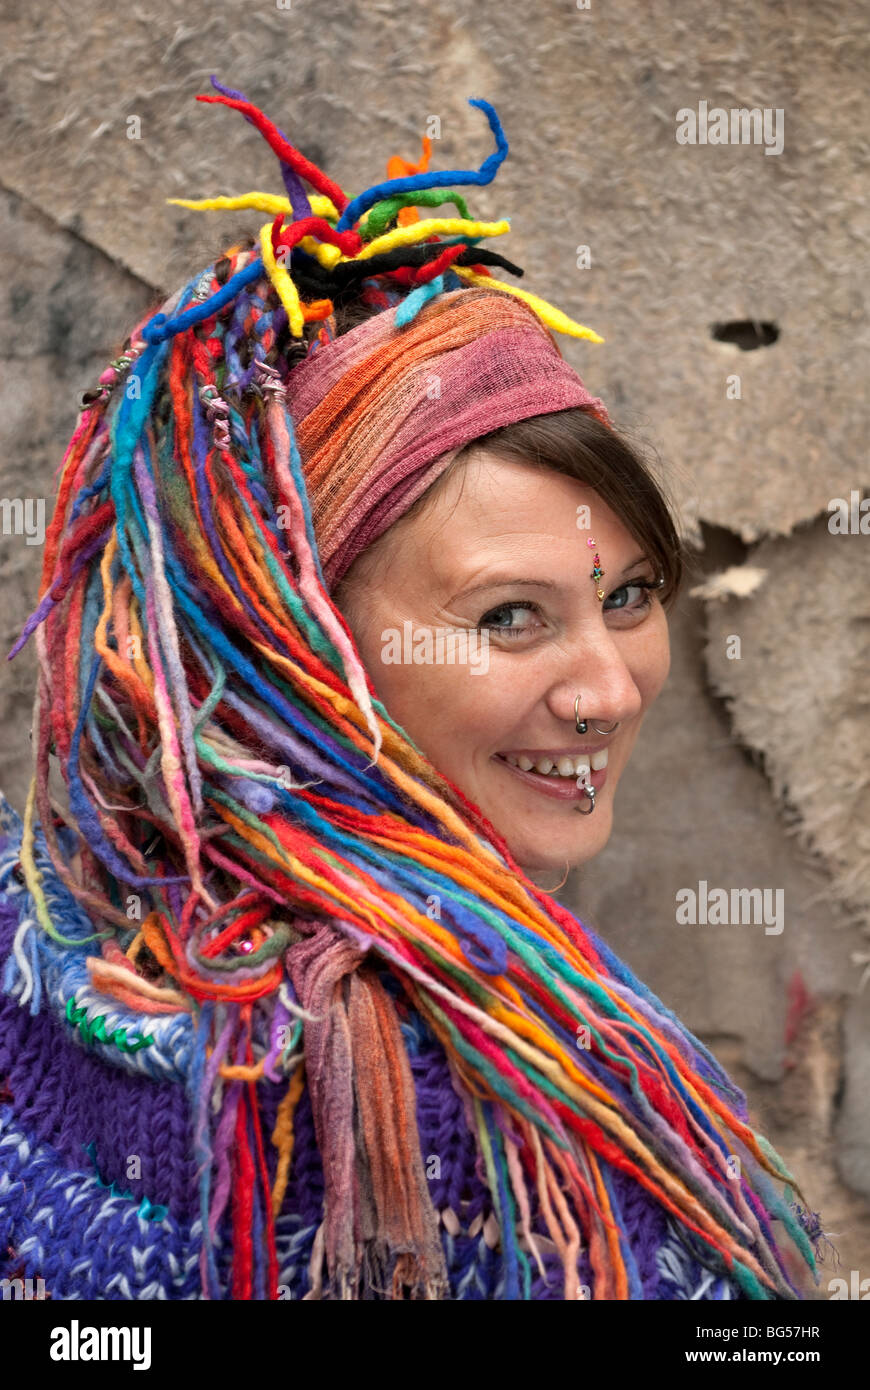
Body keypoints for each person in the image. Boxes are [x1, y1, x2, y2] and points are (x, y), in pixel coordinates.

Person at [0, 76, 825, 1301]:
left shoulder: (54, 918)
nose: (607, 687)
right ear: (299, 643)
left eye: (633, 595)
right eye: (509, 618)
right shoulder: (469, 1120)